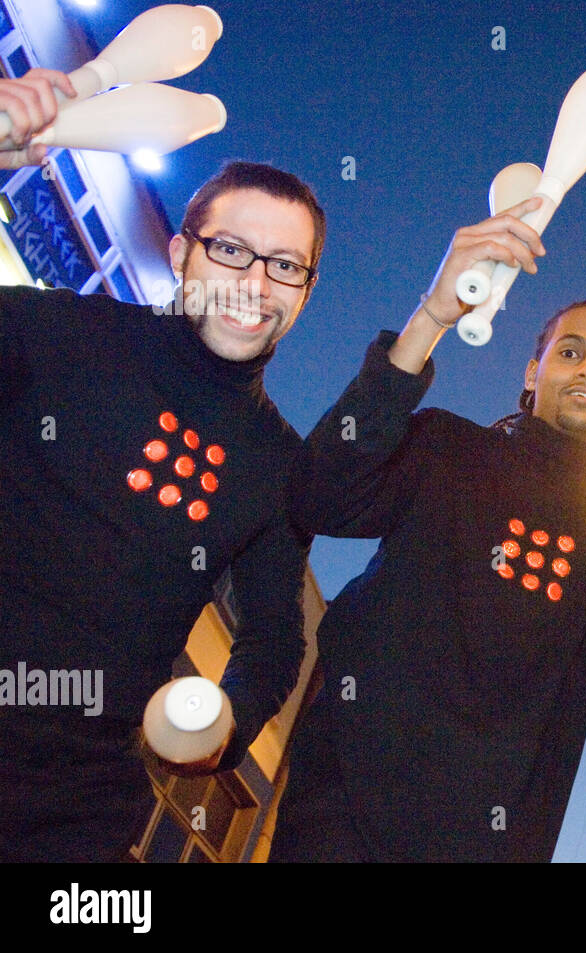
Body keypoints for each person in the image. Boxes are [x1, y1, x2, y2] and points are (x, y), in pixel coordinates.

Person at [271, 198, 586, 861]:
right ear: (532, 374)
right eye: (570, 351)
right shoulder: (444, 445)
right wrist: (433, 316)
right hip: (340, 814)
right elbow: (321, 495)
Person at [0, 71, 321, 861]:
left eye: (285, 265)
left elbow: (276, 644)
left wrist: (217, 725)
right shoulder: (52, 332)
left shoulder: (281, 466)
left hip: (75, 818)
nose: (255, 282)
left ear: (306, 292)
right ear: (182, 252)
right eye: (232, 249)